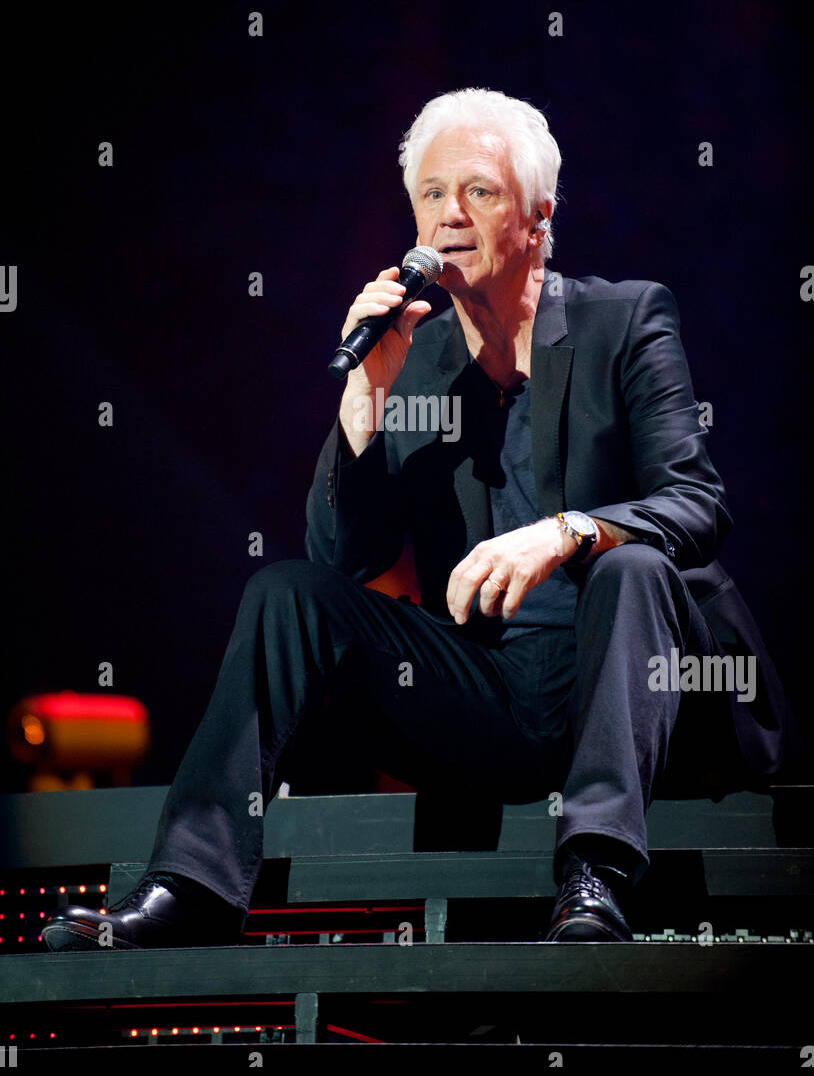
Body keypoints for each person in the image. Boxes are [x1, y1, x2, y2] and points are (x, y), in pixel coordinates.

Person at [43, 88, 797, 952]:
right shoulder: (420, 356)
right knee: (287, 594)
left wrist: (567, 531)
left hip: (646, 689)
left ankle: (595, 878)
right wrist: (364, 403)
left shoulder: (622, 320)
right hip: (496, 692)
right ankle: (194, 886)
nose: (450, 215)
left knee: (631, 568)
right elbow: (343, 557)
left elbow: (695, 503)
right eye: (432, 194)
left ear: (539, 216)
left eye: (478, 191)